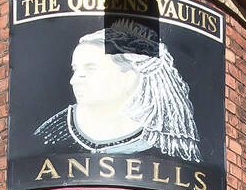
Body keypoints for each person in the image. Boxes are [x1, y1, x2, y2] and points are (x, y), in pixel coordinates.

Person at [34, 18, 201, 161]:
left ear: (129, 77)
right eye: (75, 70)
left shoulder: (166, 144)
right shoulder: (56, 129)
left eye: (90, 69)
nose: (74, 80)